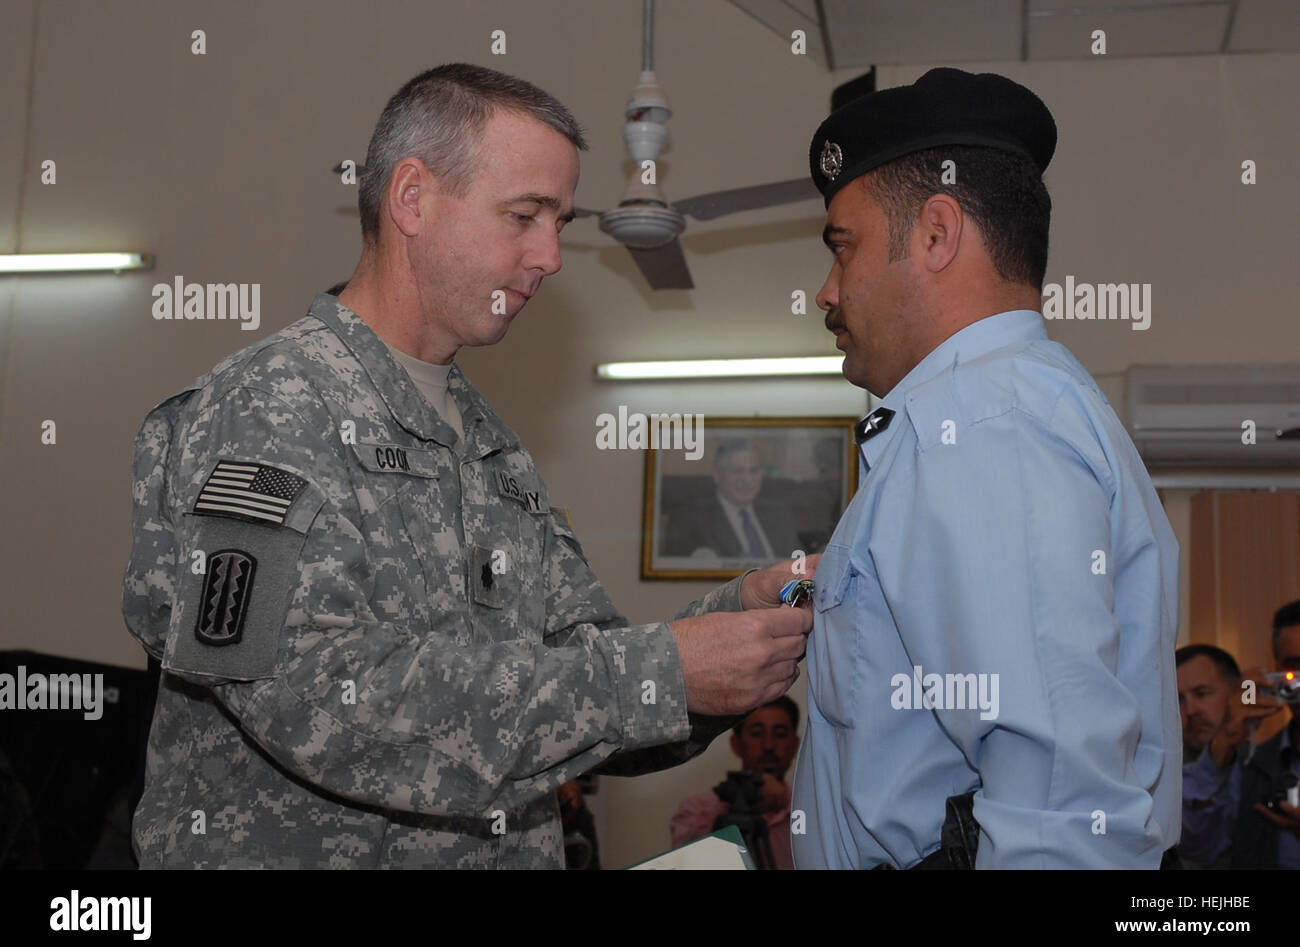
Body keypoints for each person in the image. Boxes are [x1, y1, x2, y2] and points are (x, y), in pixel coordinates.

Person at [121, 63, 812, 869]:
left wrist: (734, 624)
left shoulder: (489, 446)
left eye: (561, 221)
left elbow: (583, 685)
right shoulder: (266, 410)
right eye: (525, 216)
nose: (552, 256)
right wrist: (658, 673)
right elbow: (318, 701)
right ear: (412, 199)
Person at [790, 67, 1181, 869]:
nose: (827, 291)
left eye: (843, 247)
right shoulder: (1006, 413)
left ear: (936, 233)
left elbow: (1058, 814)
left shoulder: (982, 427)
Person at [1180, 600, 1300, 868]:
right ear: (1278, 674)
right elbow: (1197, 846)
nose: (1191, 710)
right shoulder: (1256, 768)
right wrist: (1224, 743)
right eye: (1295, 668)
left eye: (1202, 694)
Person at [669, 696, 800, 869]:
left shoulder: (812, 813)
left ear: (795, 745)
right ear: (736, 743)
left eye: (780, 734)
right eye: (756, 733)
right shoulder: (697, 811)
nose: (768, 745)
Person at [663, 439, 799, 561]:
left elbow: (801, 565)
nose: (747, 480)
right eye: (738, 471)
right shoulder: (690, 520)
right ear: (717, 475)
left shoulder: (779, 515)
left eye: (754, 471)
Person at [1177, 645, 1241, 765]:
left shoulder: (1263, 767)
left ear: (1235, 694)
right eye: (1179, 700)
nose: (1190, 711)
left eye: (1201, 694)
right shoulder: (1164, 774)